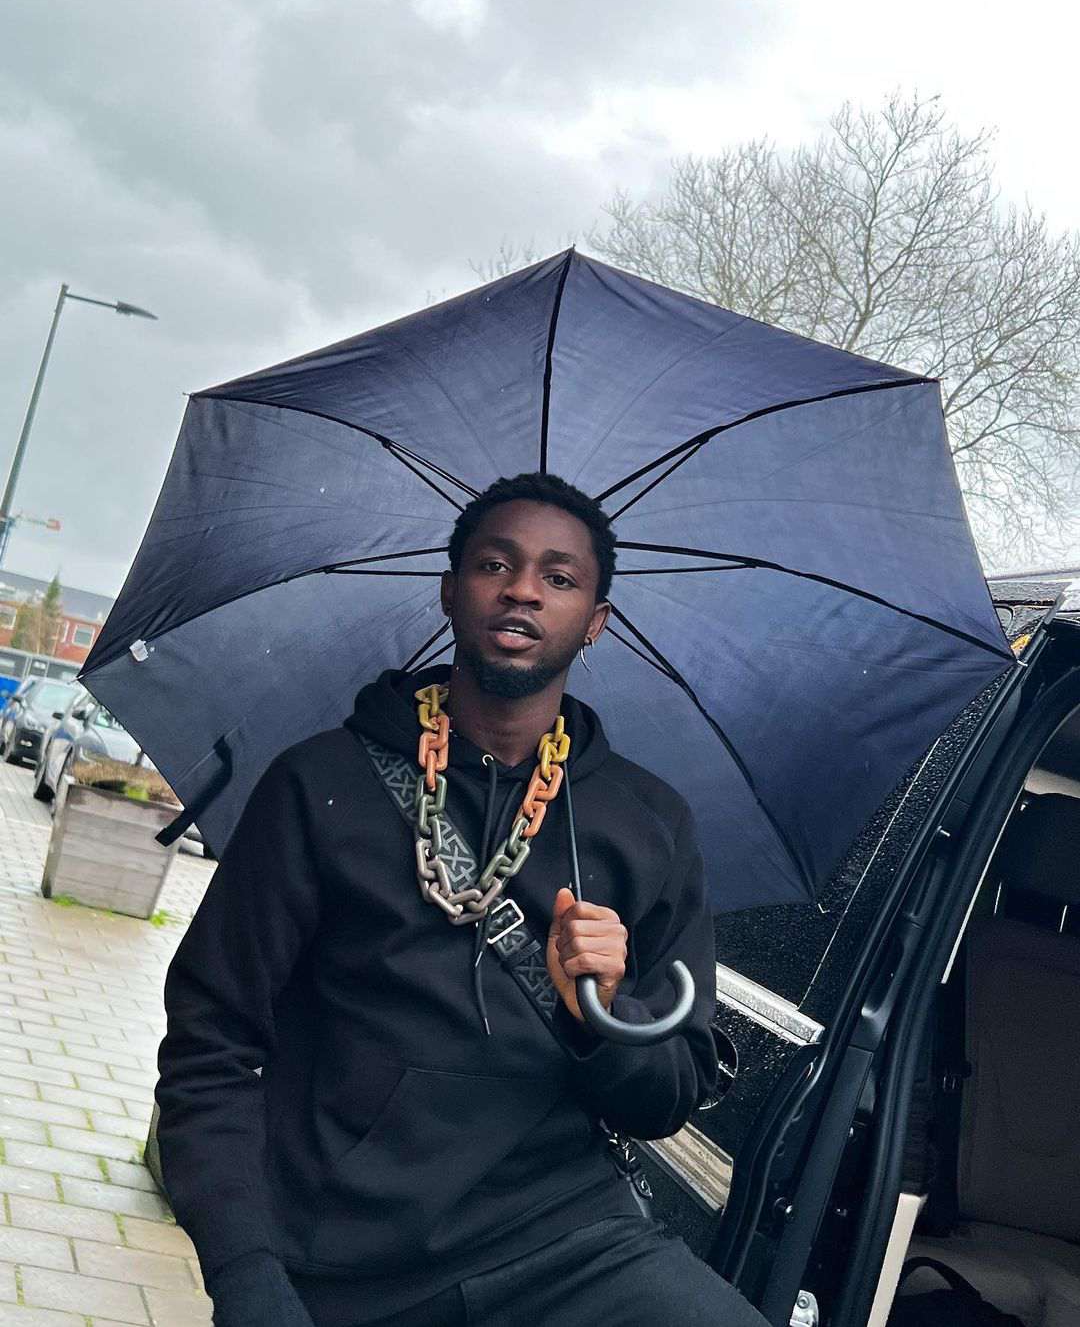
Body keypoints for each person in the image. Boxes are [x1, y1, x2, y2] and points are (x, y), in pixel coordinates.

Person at [156, 472, 767, 1327]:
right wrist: (246, 1272)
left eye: (559, 577)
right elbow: (210, 1045)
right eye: (495, 564)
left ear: (595, 622)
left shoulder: (647, 823)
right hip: (339, 1259)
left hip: (566, 1242)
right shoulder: (318, 784)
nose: (523, 590)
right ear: (450, 591)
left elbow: (670, 1096)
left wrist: (603, 1014)